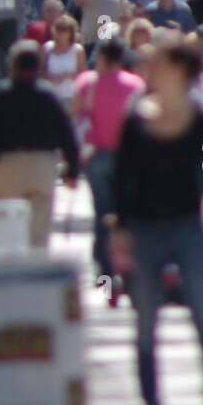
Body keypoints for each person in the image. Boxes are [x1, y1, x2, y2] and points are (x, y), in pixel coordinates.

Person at [111, 40, 203, 405]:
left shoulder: (201, 121)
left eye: (158, 63)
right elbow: (121, 180)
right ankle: (150, 397)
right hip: (143, 228)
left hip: (185, 225)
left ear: (179, 71)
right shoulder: (136, 120)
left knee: (200, 307)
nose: (150, 69)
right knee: (145, 316)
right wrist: (118, 228)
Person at [0, 41, 80, 247]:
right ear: (39, 67)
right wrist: (72, 171)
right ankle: (36, 270)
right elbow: (68, 135)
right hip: (41, 166)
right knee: (38, 233)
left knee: (6, 228)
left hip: (6, 165)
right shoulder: (50, 96)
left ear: (12, 66)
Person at [71, 40, 146, 304]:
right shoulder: (136, 85)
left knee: (104, 216)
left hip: (98, 155)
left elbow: (74, 113)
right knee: (129, 214)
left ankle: (105, 275)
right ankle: (131, 273)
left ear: (101, 58)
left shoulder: (87, 82)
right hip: (130, 158)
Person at [43, 14, 87, 103]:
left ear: (71, 33)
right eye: (58, 29)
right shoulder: (47, 48)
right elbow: (41, 72)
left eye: (64, 30)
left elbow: (83, 75)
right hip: (51, 98)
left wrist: (69, 75)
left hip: (72, 98)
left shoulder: (77, 50)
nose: (60, 33)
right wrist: (52, 78)